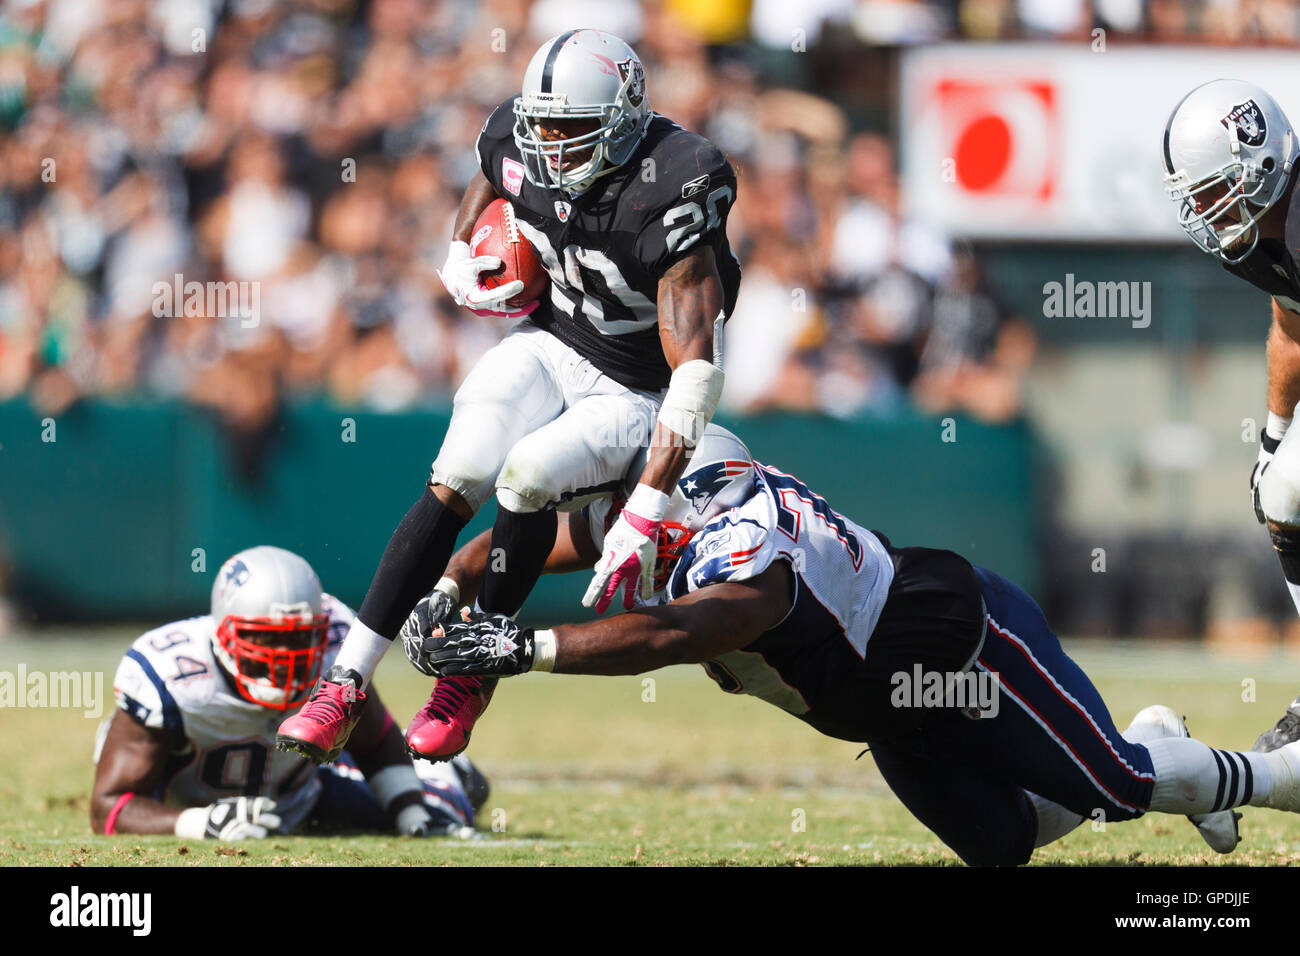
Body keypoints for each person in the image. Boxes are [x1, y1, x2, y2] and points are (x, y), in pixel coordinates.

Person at [399, 426, 1269, 865]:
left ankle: (1272, 774)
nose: (622, 525)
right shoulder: (683, 513)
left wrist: (523, 648)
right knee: (1001, 846)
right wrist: (450, 586)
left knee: (1121, 786)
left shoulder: (747, 549)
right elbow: (527, 544)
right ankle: (1153, 738)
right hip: (883, 706)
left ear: (694, 507)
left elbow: (678, 631)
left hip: (964, 648)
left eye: (644, 510)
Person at [277, 29, 740, 767]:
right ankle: (345, 683)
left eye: (570, 128)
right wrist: (460, 247)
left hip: (638, 384)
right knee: (460, 470)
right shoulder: (516, 139)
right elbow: (494, 175)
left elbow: (696, 372)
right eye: (542, 126)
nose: (551, 145)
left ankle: (469, 676)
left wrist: (647, 504)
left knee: (528, 476)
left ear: (623, 119)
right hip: (553, 340)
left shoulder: (676, 180)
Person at [91, 546, 486, 841]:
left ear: (320, 630)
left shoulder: (338, 647)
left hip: (303, 793)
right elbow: (109, 805)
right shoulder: (169, 676)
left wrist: (410, 812)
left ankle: (452, 771)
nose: (283, 659)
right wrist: (198, 822)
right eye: (265, 639)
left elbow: (375, 738)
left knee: (445, 810)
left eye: (297, 639)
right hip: (189, 801)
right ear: (223, 633)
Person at [1162, 79, 1300, 750]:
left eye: (1214, 189)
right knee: (1283, 489)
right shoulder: (1269, 238)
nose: (1205, 209)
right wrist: (1273, 440)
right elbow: (1292, 329)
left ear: (1260, 161)